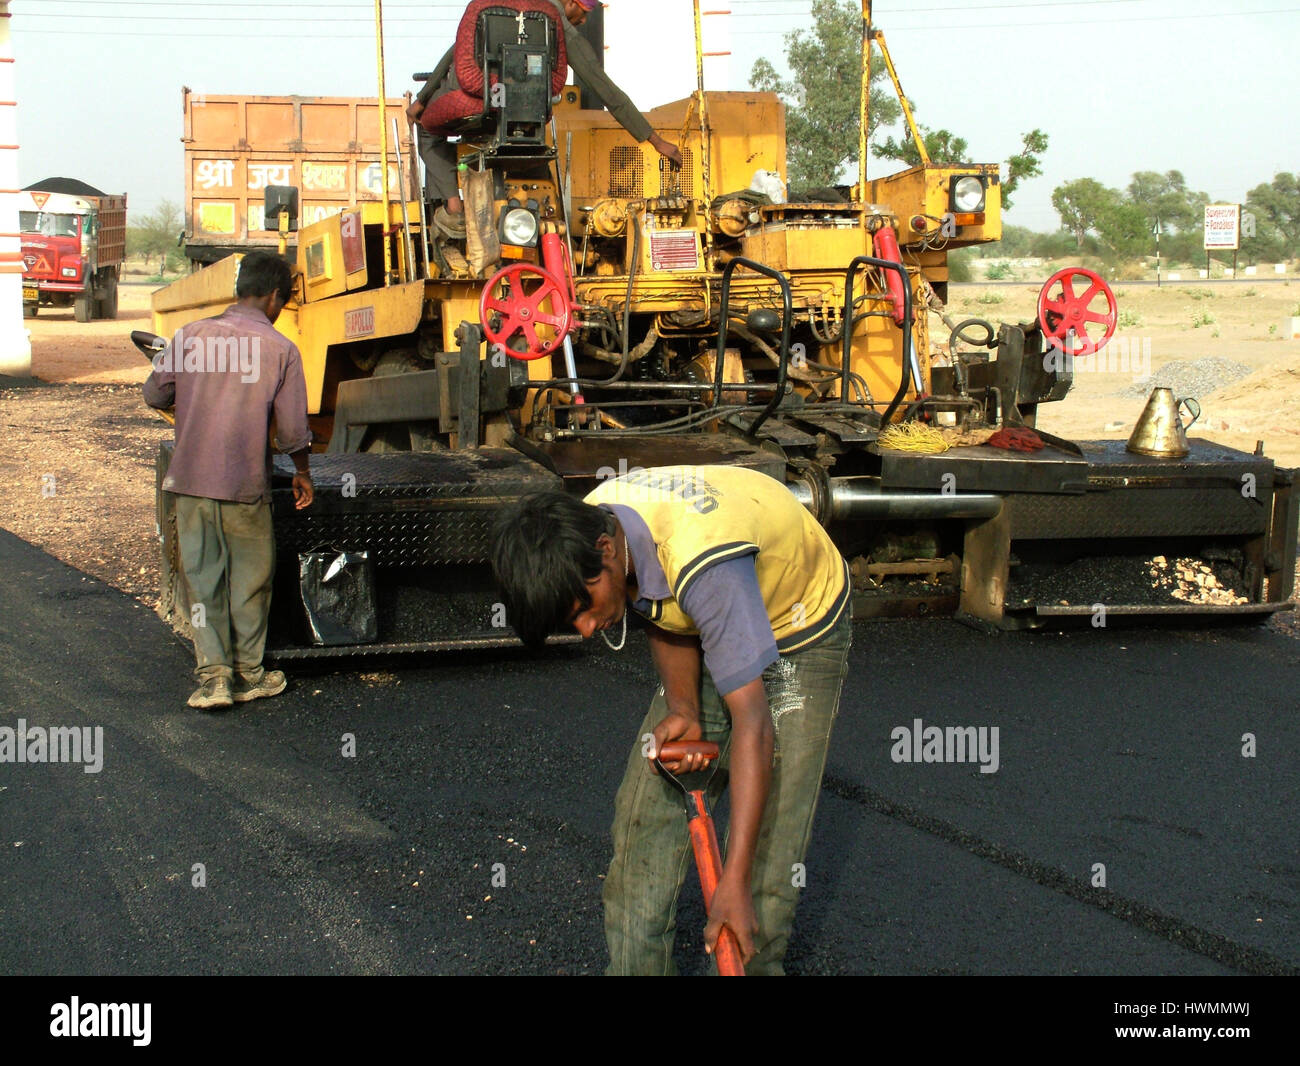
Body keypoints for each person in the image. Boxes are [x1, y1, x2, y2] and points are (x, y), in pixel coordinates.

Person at [491, 465, 852, 975]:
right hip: (711, 595)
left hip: (800, 618)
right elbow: (657, 603)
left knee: (766, 866)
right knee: (642, 827)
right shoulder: (591, 525)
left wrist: (732, 885)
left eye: (584, 610)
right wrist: (684, 707)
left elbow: (754, 724)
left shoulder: (703, 565)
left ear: (607, 551)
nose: (588, 628)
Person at [142, 251, 314, 710]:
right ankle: (250, 674)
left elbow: (154, 393)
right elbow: (294, 430)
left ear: (240, 288)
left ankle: (214, 678)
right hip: (244, 485)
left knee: (202, 579)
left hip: (190, 481)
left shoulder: (189, 336)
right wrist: (302, 473)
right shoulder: (280, 349)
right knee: (250, 579)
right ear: (276, 295)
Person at [407, 0, 683, 238]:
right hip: (523, 108)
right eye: (584, 12)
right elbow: (606, 89)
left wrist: (422, 98)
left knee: (427, 128)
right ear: (572, 2)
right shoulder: (555, 23)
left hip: (477, 100)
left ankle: (454, 207)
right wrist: (655, 141)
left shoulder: (496, 7)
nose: (584, 20)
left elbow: (453, 53)